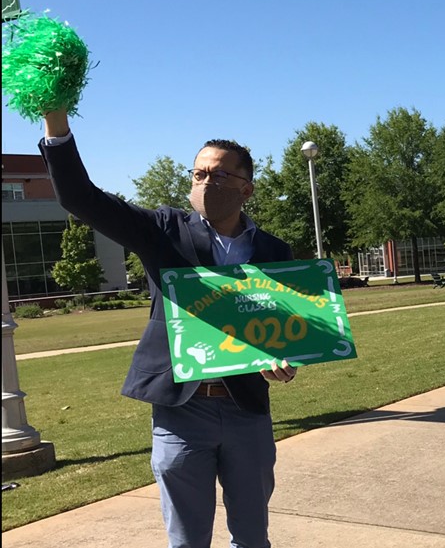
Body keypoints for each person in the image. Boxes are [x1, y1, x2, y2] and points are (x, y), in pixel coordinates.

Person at [39, 109, 296, 548]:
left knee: (253, 538)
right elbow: (81, 197)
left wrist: (287, 364)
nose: (205, 183)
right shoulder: (163, 230)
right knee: (187, 541)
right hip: (182, 412)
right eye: (198, 174)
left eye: (218, 175)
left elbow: (286, 330)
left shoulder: (274, 251)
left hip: (247, 410)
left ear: (246, 188)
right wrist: (56, 125)